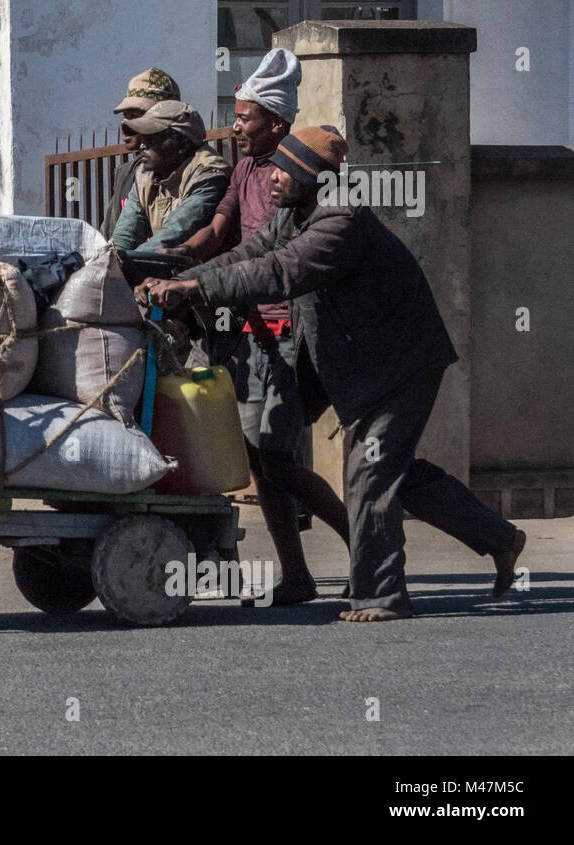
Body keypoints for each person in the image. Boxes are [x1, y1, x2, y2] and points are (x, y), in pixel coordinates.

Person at [142, 126, 527, 621]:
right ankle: (500, 537)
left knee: (370, 471)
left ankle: (383, 595)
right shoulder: (293, 212)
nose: (273, 177)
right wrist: (184, 277)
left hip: (399, 363)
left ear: (310, 177)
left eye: (284, 169)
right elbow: (250, 254)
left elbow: (278, 272)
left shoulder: (339, 221)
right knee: (308, 460)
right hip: (341, 357)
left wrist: (193, 289)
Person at [161, 48, 350, 605]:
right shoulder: (243, 167)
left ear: (278, 124)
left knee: (275, 457)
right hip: (243, 327)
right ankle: (298, 574)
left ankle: (359, 545)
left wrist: (197, 281)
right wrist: (174, 263)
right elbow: (222, 230)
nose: (236, 126)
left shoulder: (292, 180)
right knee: (261, 463)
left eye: (245, 119)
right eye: (237, 116)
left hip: (286, 332)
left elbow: (271, 261)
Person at [109, 100, 229, 279]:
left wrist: (117, 269)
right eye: (142, 138)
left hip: (209, 282)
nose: (142, 146)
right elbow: (125, 235)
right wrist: (108, 263)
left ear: (182, 145)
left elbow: (171, 237)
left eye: (151, 139)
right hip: (170, 280)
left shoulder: (208, 173)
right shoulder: (145, 173)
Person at [102, 67, 182, 242]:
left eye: (134, 115)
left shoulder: (188, 171)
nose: (125, 123)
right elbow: (110, 234)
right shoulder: (125, 174)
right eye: (125, 115)